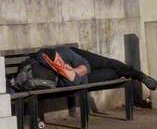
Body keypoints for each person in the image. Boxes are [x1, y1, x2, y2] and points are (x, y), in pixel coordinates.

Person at [10, 44, 157, 93]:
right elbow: (74, 81)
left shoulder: (63, 53)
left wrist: (74, 70)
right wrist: (72, 74)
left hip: (80, 61)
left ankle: (139, 75)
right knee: (111, 73)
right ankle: (129, 74)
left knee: (108, 63)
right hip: (80, 79)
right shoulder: (44, 73)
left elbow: (85, 65)